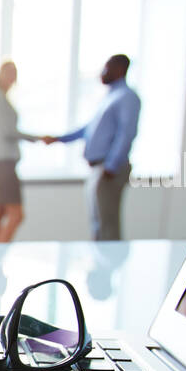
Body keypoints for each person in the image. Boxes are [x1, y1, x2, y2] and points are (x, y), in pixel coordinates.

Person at [41, 54, 141, 241]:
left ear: (119, 69)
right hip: (98, 168)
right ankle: (100, 268)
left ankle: (110, 266)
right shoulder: (108, 98)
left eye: (106, 68)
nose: (101, 73)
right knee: (98, 222)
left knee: (107, 224)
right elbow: (88, 130)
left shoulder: (127, 97)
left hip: (110, 169)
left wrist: (111, 166)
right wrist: (58, 139)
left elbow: (126, 133)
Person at [0, 60, 37, 243]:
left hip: (2, 161)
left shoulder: (2, 98)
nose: (13, 76)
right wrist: (36, 138)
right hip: (3, 162)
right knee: (16, 214)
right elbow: (8, 131)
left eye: (15, 72)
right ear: (1, 74)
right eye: (9, 72)